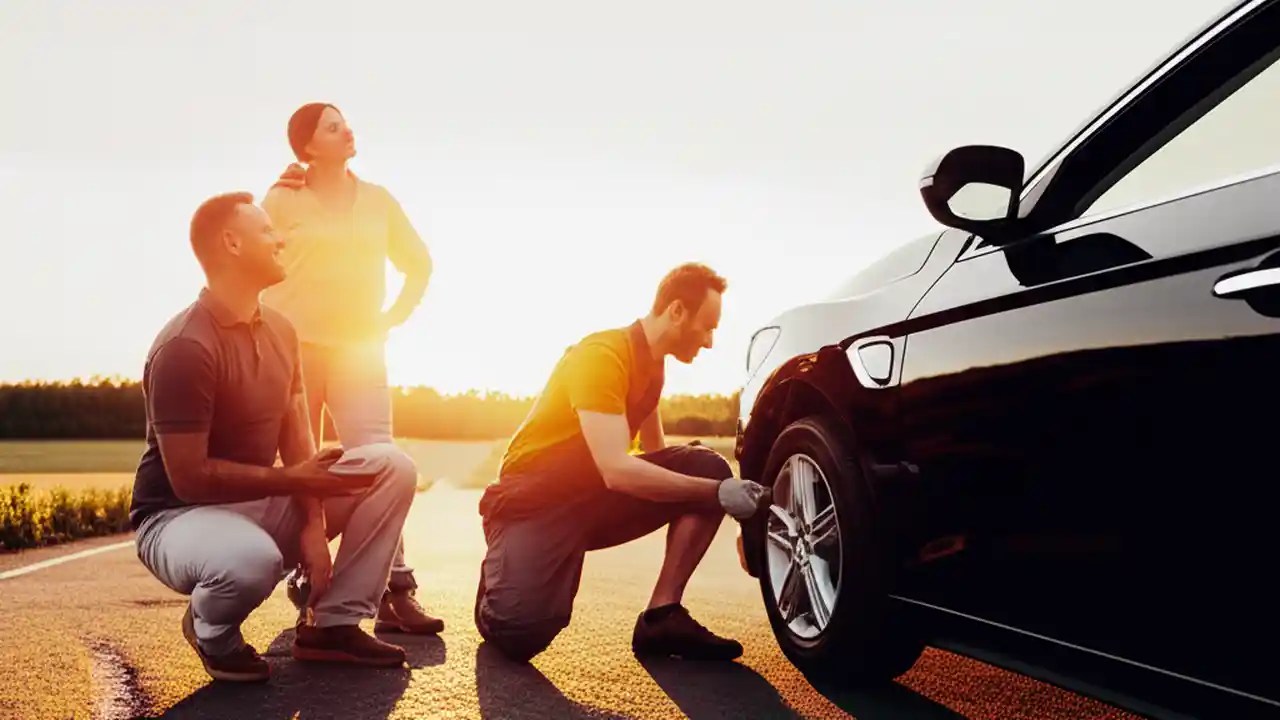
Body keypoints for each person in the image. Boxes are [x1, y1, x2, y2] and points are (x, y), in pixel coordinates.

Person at [131, 192, 420, 682]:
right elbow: (189, 479)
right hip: (177, 517)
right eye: (267, 231)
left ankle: (332, 625)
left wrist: (312, 523)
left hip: (260, 499)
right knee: (252, 562)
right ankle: (212, 631)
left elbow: (298, 440)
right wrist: (292, 480)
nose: (281, 238)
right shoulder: (185, 346)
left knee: (390, 467)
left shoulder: (281, 331)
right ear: (232, 243)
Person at [473, 262, 771, 663]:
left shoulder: (654, 365)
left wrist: (715, 486)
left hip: (591, 498)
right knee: (521, 632)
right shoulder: (601, 355)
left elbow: (655, 459)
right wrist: (717, 494)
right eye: (707, 326)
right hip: (534, 501)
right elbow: (617, 469)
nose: (710, 342)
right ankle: (503, 573)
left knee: (706, 466)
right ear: (677, 311)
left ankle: (661, 617)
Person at [260, 102, 442, 635]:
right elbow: (254, 256)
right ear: (308, 146)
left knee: (384, 462)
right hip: (295, 351)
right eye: (333, 126)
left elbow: (419, 263)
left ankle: (395, 588)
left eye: (346, 124)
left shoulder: (378, 201)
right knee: (303, 465)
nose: (348, 131)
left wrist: (391, 318)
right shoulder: (282, 198)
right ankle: (307, 578)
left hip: (360, 351)